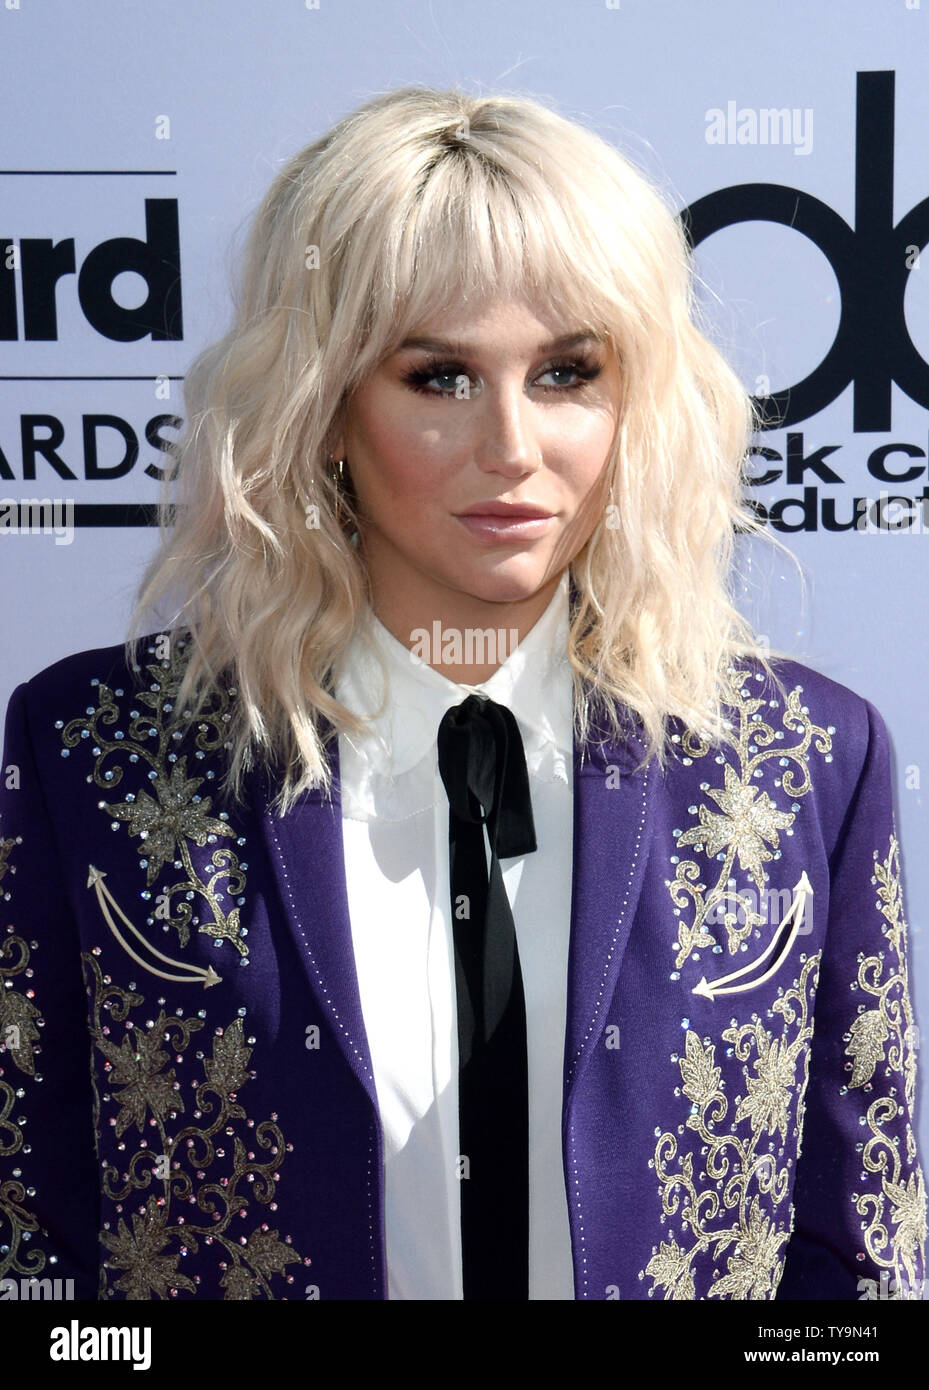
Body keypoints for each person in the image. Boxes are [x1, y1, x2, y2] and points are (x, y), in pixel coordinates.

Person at [0, 85, 924, 1303]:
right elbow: (35, 1237)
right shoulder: (93, 749)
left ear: (632, 402)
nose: (511, 446)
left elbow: (860, 1255)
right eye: (438, 377)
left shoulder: (803, 754)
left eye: (566, 372)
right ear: (323, 406)